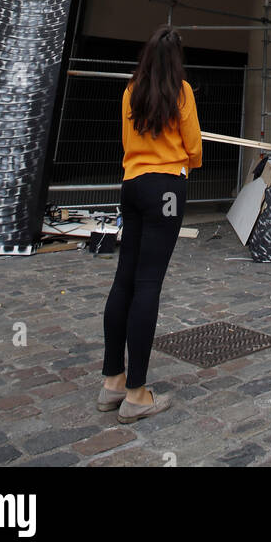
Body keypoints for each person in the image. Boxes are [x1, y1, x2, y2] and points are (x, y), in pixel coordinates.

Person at [99, 25, 202, 422]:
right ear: (176, 60)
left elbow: (127, 143)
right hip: (167, 190)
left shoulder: (131, 90)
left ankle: (112, 378)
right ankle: (137, 392)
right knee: (149, 284)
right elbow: (193, 145)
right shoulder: (183, 91)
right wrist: (185, 167)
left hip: (132, 184)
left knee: (123, 279)